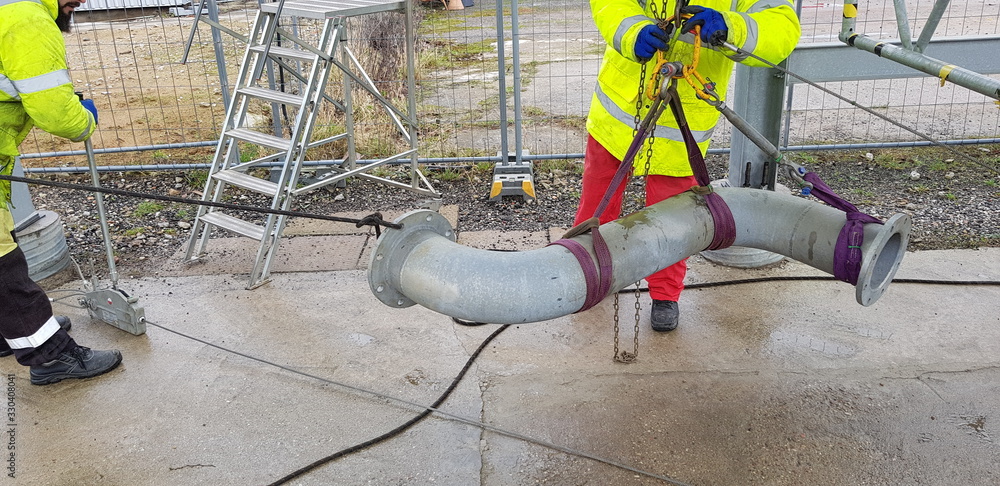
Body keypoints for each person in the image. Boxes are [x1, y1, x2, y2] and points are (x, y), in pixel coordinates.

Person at [578, 0, 800, 331]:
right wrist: (632, 31)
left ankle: (665, 294)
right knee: (598, 202)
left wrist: (731, 27)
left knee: (673, 219)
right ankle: (585, 271)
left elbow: (781, 26)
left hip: (683, 123)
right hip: (618, 112)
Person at [1, 0, 123, 384]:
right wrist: (83, 119)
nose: (81, 0)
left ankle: (11, 330)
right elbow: (54, 110)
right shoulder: (25, 17)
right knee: (3, 265)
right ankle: (49, 355)